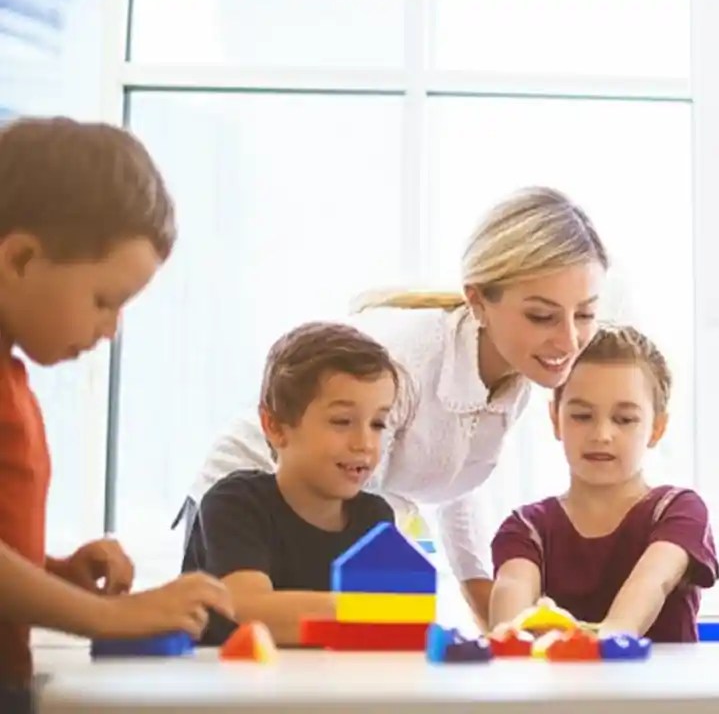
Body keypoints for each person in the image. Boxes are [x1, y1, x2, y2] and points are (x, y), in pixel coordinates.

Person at [185, 186, 609, 628]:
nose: (569, 340)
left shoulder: (519, 368)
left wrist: (498, 625)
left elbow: (456, 487)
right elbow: (353, 473)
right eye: (542, 316)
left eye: (585, 314)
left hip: (330, 511)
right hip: (259, 503)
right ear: (478, 301)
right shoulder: (405, 361)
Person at [0, 117, 232, 710]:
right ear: (21, 259)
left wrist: (50, 572)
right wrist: (107, 615)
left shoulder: (15, 380)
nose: (110, 330)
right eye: (104, 301)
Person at [182, 322, 409, 645]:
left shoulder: (375, 518)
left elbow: (393, 626)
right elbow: (249, 612)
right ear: (274, 426)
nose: (366, 443)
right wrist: (374, 609)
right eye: (342, 422)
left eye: (378, 424)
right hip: (233, 688)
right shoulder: (235, 503)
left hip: (328, 689)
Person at [488, 325, 718, 642]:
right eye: (582, 416)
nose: (601, 435)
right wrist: (512, 634)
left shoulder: (678, 510)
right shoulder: (526, 527)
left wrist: (604, 638)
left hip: (659, 693)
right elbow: (511, 598)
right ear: (555, 419)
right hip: (561, 693)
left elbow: (651, 583)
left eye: (624, 419)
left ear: (657, 429)